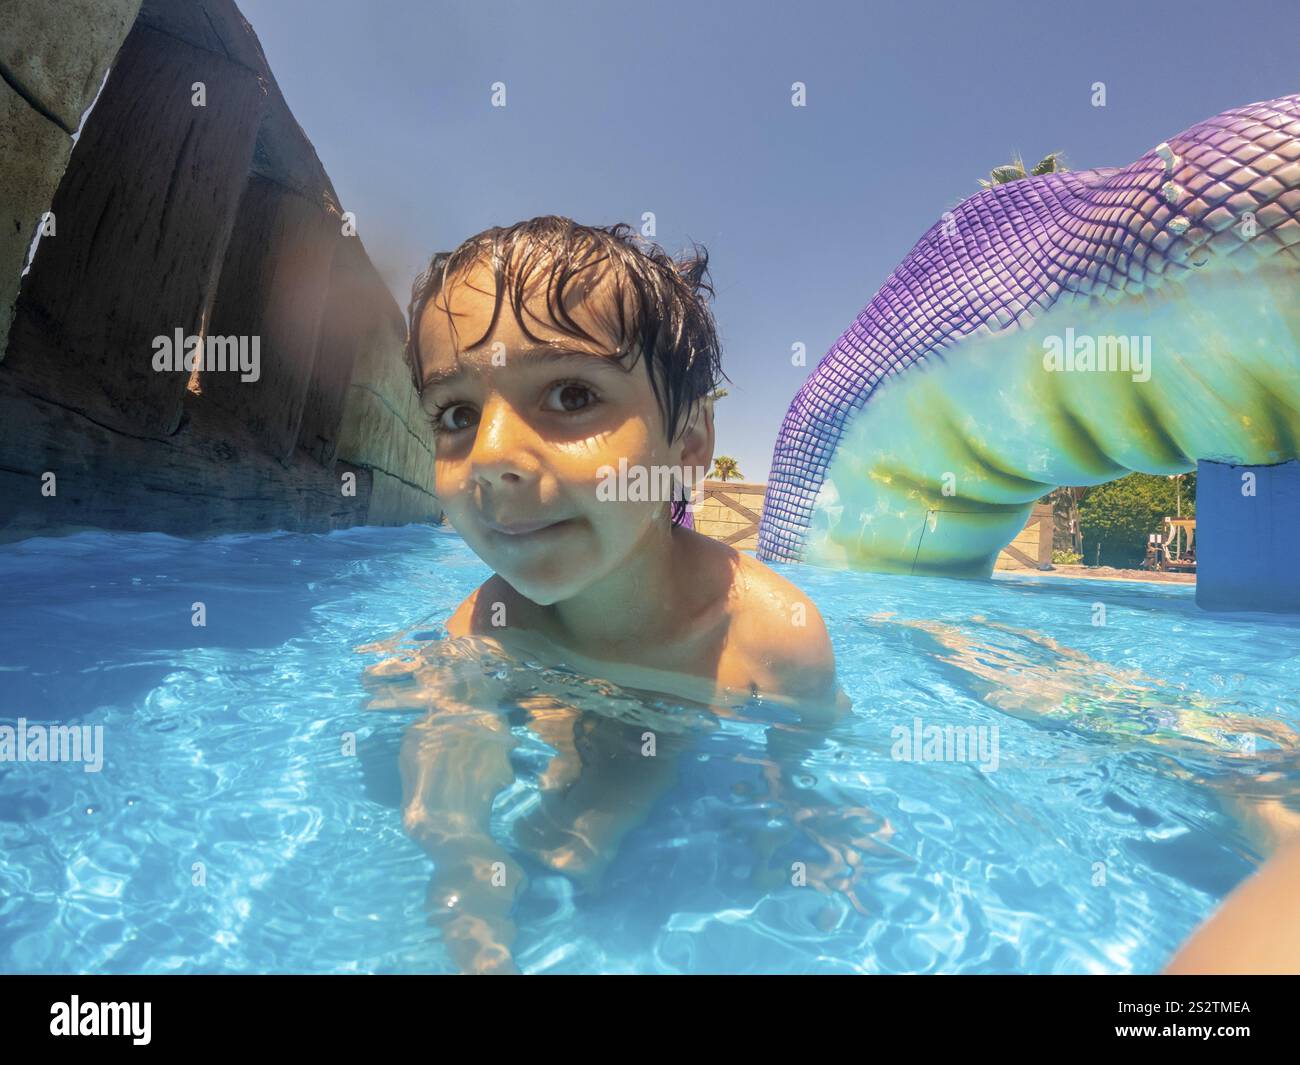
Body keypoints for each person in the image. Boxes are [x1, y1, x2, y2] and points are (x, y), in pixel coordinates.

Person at [386, 216, 848, 972]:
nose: (492, 456)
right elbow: (446, 805)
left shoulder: (771, 639)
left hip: (692, 716)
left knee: (603, 811)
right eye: (457, 414)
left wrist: (807, 854)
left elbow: (803, 780)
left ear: (690, 443)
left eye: (571, 394)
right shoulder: (489, 620)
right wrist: (469, 890)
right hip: (595, 696)